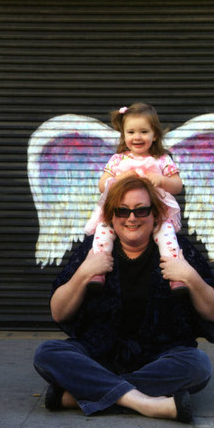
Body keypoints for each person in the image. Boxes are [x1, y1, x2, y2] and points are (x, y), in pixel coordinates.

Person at [34, 176, 214, 423]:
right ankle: (147, 403)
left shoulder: (179, 250)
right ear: (111, 216)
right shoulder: (93, 249)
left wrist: (189, 276)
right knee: (47, 353)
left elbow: (213, 314)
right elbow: (59, 312)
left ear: (155, 214)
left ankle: (80, 396)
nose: (132, 218)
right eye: (122, 210)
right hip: (100, 356)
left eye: (141, 210)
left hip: (159, 357)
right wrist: (84, 272)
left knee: (198, 364)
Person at [84, 102, 186, 293]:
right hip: (120, 211)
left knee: (167, 234)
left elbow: (178, 185)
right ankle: (97, 270)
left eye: (143, 132)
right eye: (131, 132)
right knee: (103, 231)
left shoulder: (162, 159)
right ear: (124, 135)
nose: (137, 137)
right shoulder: (118, 159)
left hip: (155, 211)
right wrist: (120, 178)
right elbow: (101, 185)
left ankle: (176, 274)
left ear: (154, 135)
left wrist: (162, 180)